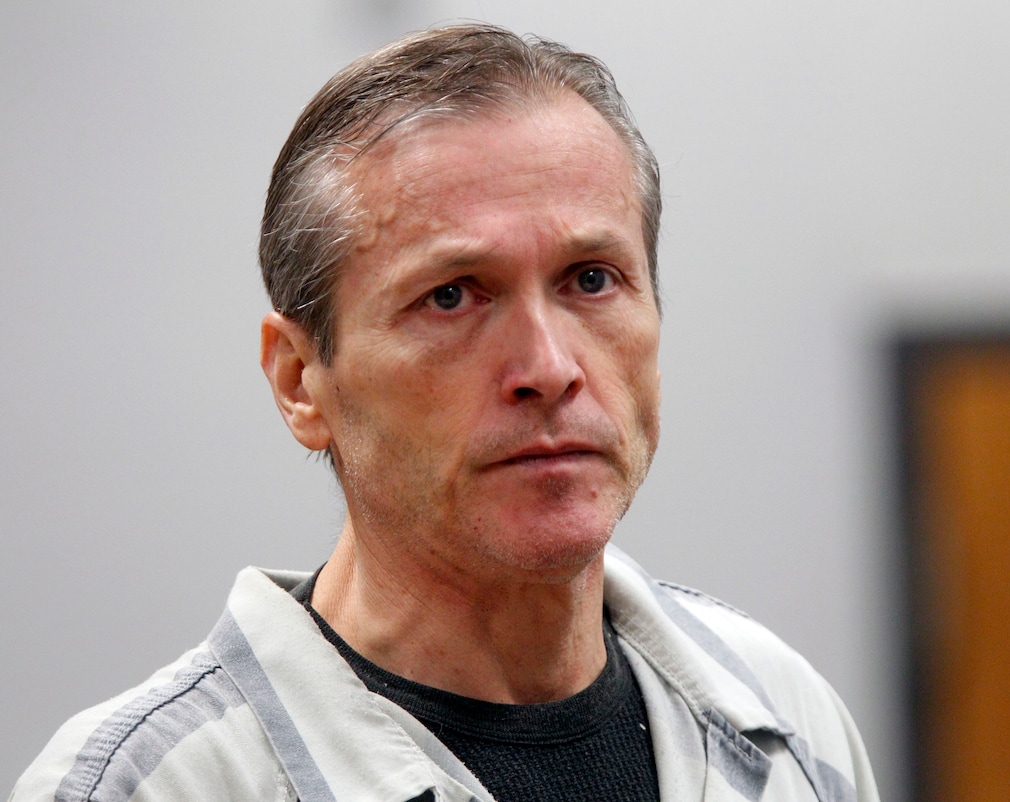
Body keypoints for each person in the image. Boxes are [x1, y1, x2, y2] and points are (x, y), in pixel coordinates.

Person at [11, 23, 879, 802]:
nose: (549, 369)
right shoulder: (146, 787)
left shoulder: (788, 724)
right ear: (300, 381)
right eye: (453, 295)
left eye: (591, 279)